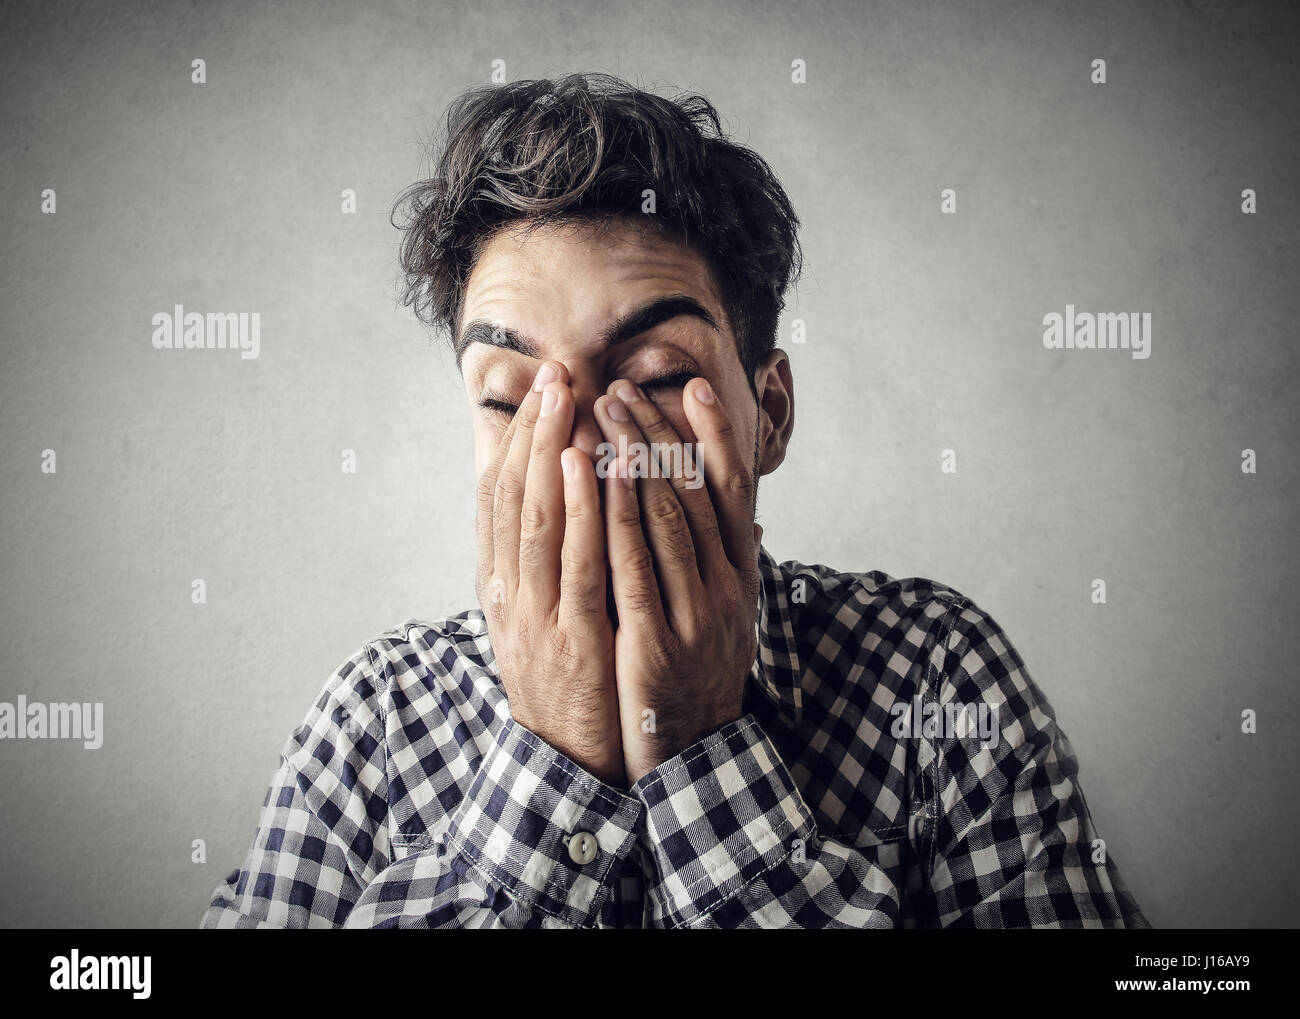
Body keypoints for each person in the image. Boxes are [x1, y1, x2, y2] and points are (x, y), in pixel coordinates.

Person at [201, 72, 1148, 928]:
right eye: (508, 398)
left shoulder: (935, 678)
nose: (576, 447)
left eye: (653, 378)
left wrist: (702, 751)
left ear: (767, 413)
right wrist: (554, 759)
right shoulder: (379, 716)